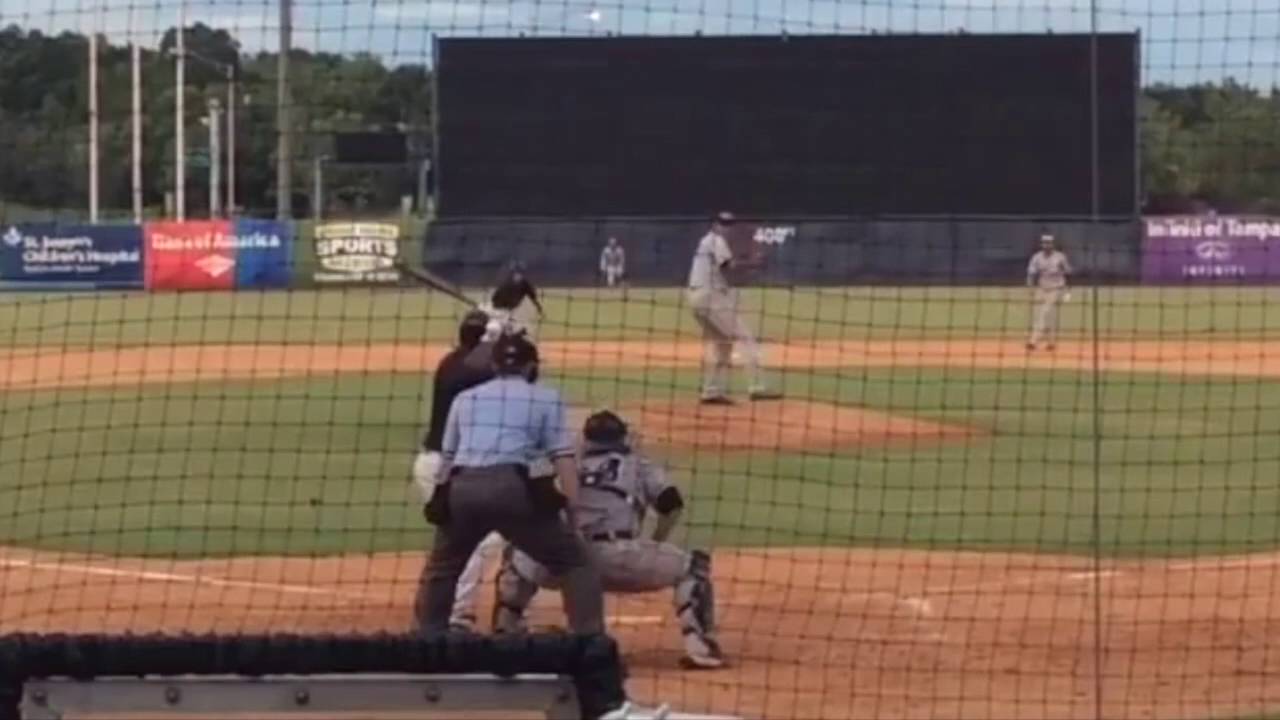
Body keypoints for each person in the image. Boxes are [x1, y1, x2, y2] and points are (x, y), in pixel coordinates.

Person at [491, 410, 725, 669]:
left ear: (587, 439)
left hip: (564, 562)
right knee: (694, 566)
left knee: (515, 554)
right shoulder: (636, 463)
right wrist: (656, 540)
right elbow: (672, 505)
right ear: (623, 437)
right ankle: (700, 647)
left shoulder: (567, 463)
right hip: (620, 559)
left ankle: (505, 635)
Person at [413, 333, 604, 635]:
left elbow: (447, 460)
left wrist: (441, 500)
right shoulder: (546, 397)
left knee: (442, 569)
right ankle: (588, 643)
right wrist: (574, 512)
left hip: (463, 487)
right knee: (576, 564)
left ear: (494, 365)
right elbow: (563, 459)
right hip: (511, 489)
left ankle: (426, 641)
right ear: (530, 367)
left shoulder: (466, 398)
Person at [410, 310, 508, 631]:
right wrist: (505, 333)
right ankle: (456, 614)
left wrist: (498, 332)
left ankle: (429, 602)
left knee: (452, 539)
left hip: (440, 463)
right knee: (483, 541)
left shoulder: (452, 361)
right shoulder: (468, 372)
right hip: (446, 467)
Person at [686, 211, 780, 404]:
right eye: (722, 223)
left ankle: (711, 391)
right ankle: (757, 387)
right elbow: (728, 267)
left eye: (729, 224)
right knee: (745, 337)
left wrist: (747, 263)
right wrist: (754, 263)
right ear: (714, 224)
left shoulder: (706, 242)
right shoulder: (716, 241)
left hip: (696, 298)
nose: (726, 227)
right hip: (709, 297)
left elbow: (726, 268)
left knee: (723, 345)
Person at [1026, 233, 1073, 351]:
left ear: (1053, 244)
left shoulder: (1060, 257)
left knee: (1044, 313)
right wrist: (1030, 288)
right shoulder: (1037, 257)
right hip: (1042, 289)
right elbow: (1031, 274)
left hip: (1056, 289)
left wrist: (1067, 291)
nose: (1046, 245)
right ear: (1041, 244)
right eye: (1044, 242)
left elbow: (1068, 273)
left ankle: (1033, 341)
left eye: (1049, 243)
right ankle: (1051, 343)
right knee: (1043, 316)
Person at [481, 260, 544, 338]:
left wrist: (539, 308)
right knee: (506, 329)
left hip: (500, 309)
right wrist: (539, 309)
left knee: (502, 328)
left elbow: (495, 296)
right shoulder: (518, 282)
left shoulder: (509, 280)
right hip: (502, 310)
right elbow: (533, 298)